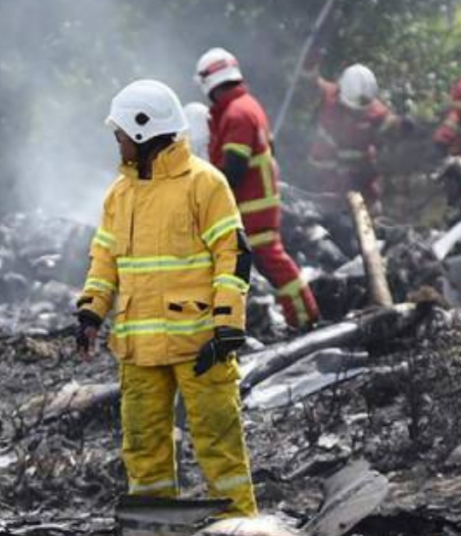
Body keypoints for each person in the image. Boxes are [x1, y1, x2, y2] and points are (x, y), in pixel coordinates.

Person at [75, 79, 257, 518]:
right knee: (142, 448)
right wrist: (91, 312)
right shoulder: (119, 194)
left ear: (144, 129)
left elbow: (232, 255)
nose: (117, 140)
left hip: (201, 344)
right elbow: (104, 260)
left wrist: (228, 325)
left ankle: (238, 526)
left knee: (219, 441)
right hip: (138, 350)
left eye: (121, 132)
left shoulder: (204, 183)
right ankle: (153, 527)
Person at [196, 47, 320, 329]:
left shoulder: (236, 113)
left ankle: (305, 318)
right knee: (267, 263)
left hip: (253, 207)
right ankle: (299, 318)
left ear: (208, 82)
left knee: (272, 262)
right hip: (257, 203)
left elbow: (235, 167)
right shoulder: (246, 106)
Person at [303, 63, 410, 213]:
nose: (356, 112)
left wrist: (403, 126)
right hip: (323, 178)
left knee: (370, 217)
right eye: (352, 108)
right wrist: (310, 62)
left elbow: (391, 125)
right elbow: (310, 82)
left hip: (359, 180)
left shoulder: (374, 110)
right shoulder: (328, 95)